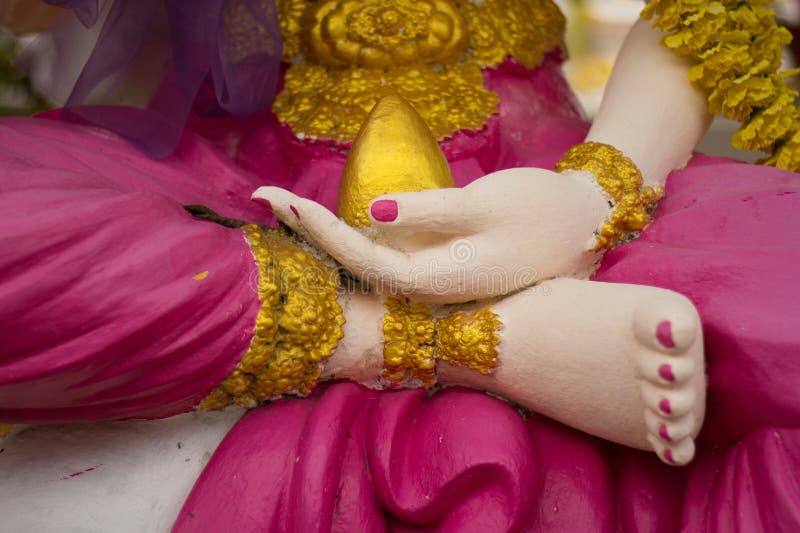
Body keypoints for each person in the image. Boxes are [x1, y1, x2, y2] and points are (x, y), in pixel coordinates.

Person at [1, 0, 799, 531]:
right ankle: (431, 331)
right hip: (246, 206)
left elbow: (712, 11)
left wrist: (593, 195)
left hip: (543, 184)